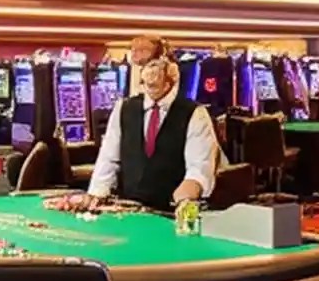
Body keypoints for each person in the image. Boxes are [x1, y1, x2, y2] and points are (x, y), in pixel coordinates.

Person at [74, 36, 220, 210]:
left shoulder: (195, 114)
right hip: (128, 211)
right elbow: (109, 159)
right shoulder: (124, 108)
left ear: (171, 73)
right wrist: (96, 195)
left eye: (155, 66)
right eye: (145, 68)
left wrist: (188, 195)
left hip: (170, 211)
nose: (150, 74)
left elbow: (199, 167)